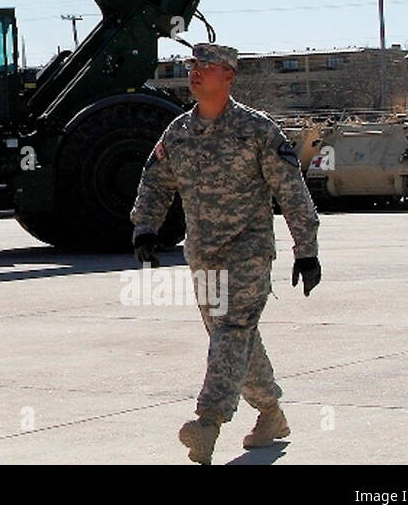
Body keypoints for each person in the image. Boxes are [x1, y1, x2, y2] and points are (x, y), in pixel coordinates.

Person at [130, 42, 321, 465]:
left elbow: (291, 192)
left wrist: (305, 250)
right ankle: (271, 413)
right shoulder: (178, 132)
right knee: (234, 341)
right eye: (192, 65)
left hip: (248, 252)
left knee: (233, 331)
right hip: (204, 256)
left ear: (229, 76)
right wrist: (145, 227)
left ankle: (208, 422)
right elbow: (156, 183)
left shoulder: (257, 131)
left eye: (207, 66)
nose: (196, 72)